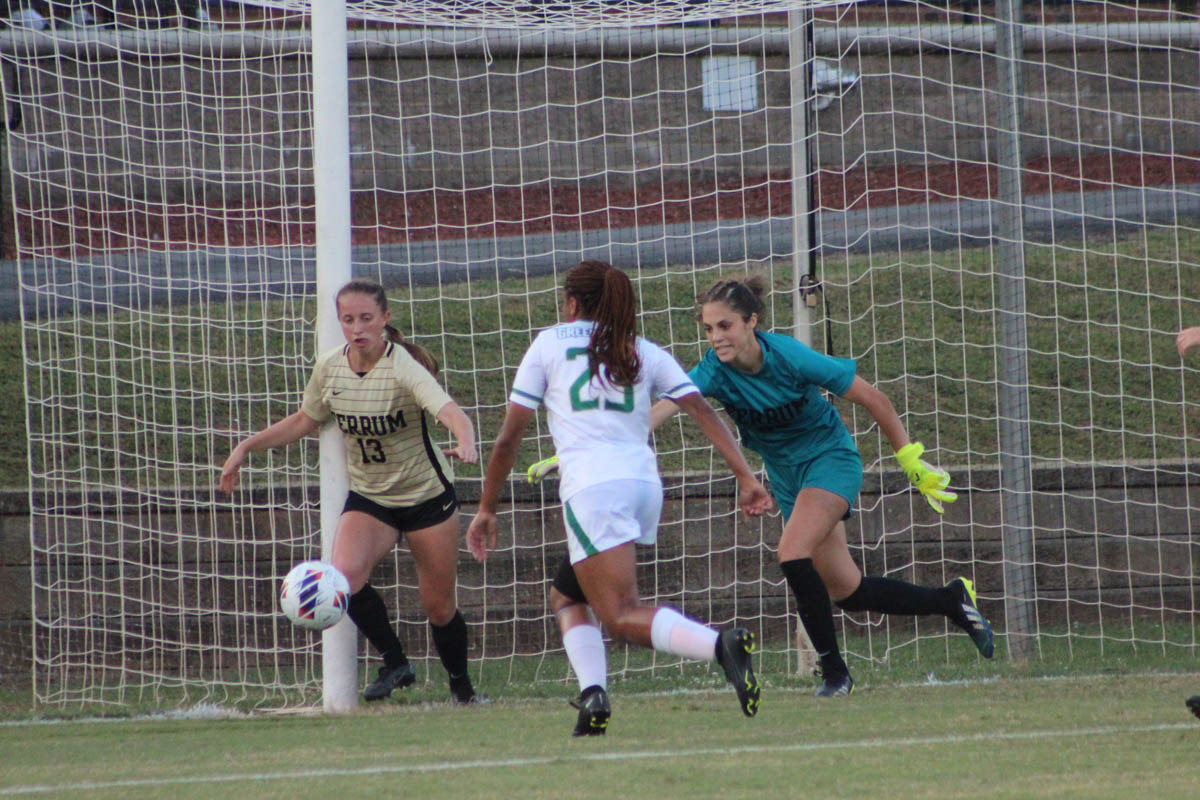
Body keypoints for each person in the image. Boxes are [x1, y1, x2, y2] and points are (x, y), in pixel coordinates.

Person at [534, 274, 995, 697]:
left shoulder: (790, 356)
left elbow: (874, 397)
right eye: (709, 329)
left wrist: (910, 460)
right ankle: (951, 600)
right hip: (788, 477)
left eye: (726, 326)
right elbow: (662, 410)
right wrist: (588, 447)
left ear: (752, 321)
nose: (716, 338)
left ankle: (835, 674)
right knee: (847, 590)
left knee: (791, 554)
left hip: (830, 461)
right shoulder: (714, 370)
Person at [466, 260, 774, 736]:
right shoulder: (642, 349)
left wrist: (487, 507)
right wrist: (747, 478)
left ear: (571, 302)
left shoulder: (549, 343)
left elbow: (509, 438)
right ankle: (594, 697)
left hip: (593, 489)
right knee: (568, 595)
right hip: (643, 484)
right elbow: (702, 412)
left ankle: (720, 646)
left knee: (619, 614)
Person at [220, 278, 483, 705]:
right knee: (342, 578)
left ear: (384, 319)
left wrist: (466, 439)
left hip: (427, 499)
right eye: (348, 319)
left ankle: (463, 691)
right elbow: (306, 420)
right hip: (372, 498)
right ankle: (396, 662)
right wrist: (246, 446)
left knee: (439, 607)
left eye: (365, 318)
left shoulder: (403, 367)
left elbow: (450, 412)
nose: (357, 327)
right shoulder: (329, 368)